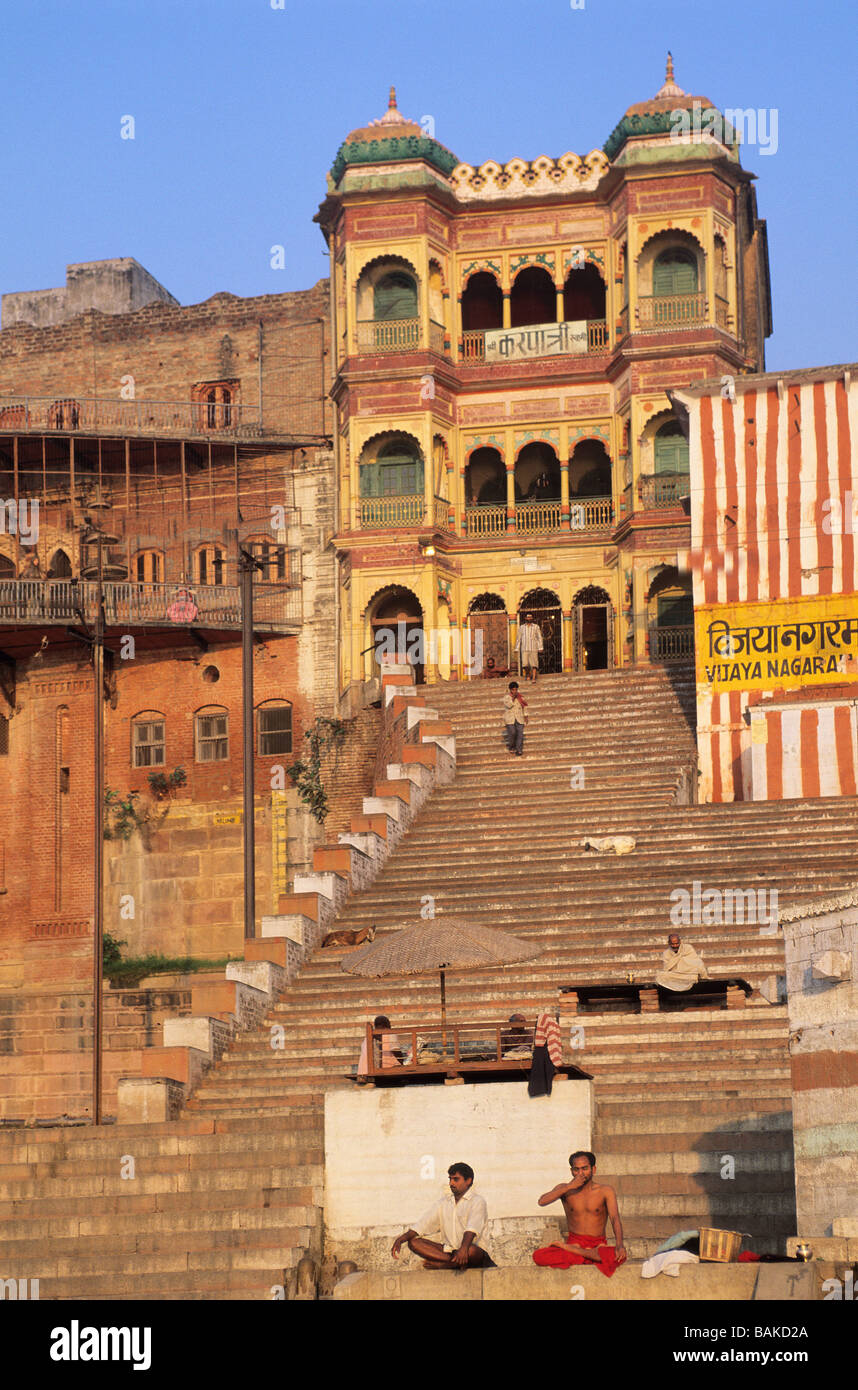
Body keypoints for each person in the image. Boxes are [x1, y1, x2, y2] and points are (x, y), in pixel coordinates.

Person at [532, 1151, 627, 1276]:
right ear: (572, 1171)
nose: (580, 1173)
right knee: (538, 1256)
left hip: (597, 1245)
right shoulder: (565, 1189)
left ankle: (578, 1252)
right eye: (576, 1169)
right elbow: (542, 1201)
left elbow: (615, 1219)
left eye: (585, 1168)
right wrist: (569, 1187)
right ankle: (587, 1254)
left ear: (594, 1169)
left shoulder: (605, 1191)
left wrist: (619, 1245)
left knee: (617, 1255)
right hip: (577, 1243)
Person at [391, 1162, 490, 1270]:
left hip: (472, 1253)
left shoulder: (477, 1201)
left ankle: (446, 1265)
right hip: (450, 1253)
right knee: (414, 1242)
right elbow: (423, 1225)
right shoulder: (443, 1203)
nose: (451, 1183)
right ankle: (454, 1263)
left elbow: (471, 1229)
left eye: (456, 1179)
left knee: (472, 1251)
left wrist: (463, 1249)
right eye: (450, 1179)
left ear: (468, 1181)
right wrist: (401, 1239)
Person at [356, 1014, 403, 1084]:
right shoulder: (390, 1034)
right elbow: (396, 1051)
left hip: (362, 1071)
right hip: (384, 1069)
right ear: (387, 1025)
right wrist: (403, 1062)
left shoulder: (366, 1038)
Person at [514, 612, 543, 681]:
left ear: (532, 618)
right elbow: (519, 638)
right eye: (528, 617)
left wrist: (540, 647)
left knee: (534, 664)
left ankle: (533, 678)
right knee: (525, 664)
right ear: (525, 618)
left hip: (533, 648)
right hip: (524, 648)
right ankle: (528, 674)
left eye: (530, 617)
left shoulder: (536, 627)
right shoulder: (522, 627)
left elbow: (539, 637)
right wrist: (516, 648)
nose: (529, 618)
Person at [503, 680, 528, 758]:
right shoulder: (506, 697)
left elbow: (525, 706)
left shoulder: (521, 697)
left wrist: (526, 716)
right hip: (510, 719)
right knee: (513, 733)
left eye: (516, 689)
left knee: (520, 734)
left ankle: (519, 750)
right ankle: (512, 746)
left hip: (519, 718)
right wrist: (513, 698)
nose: (515, 691)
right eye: (513, 690)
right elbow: (509, 705)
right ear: (510, 690)